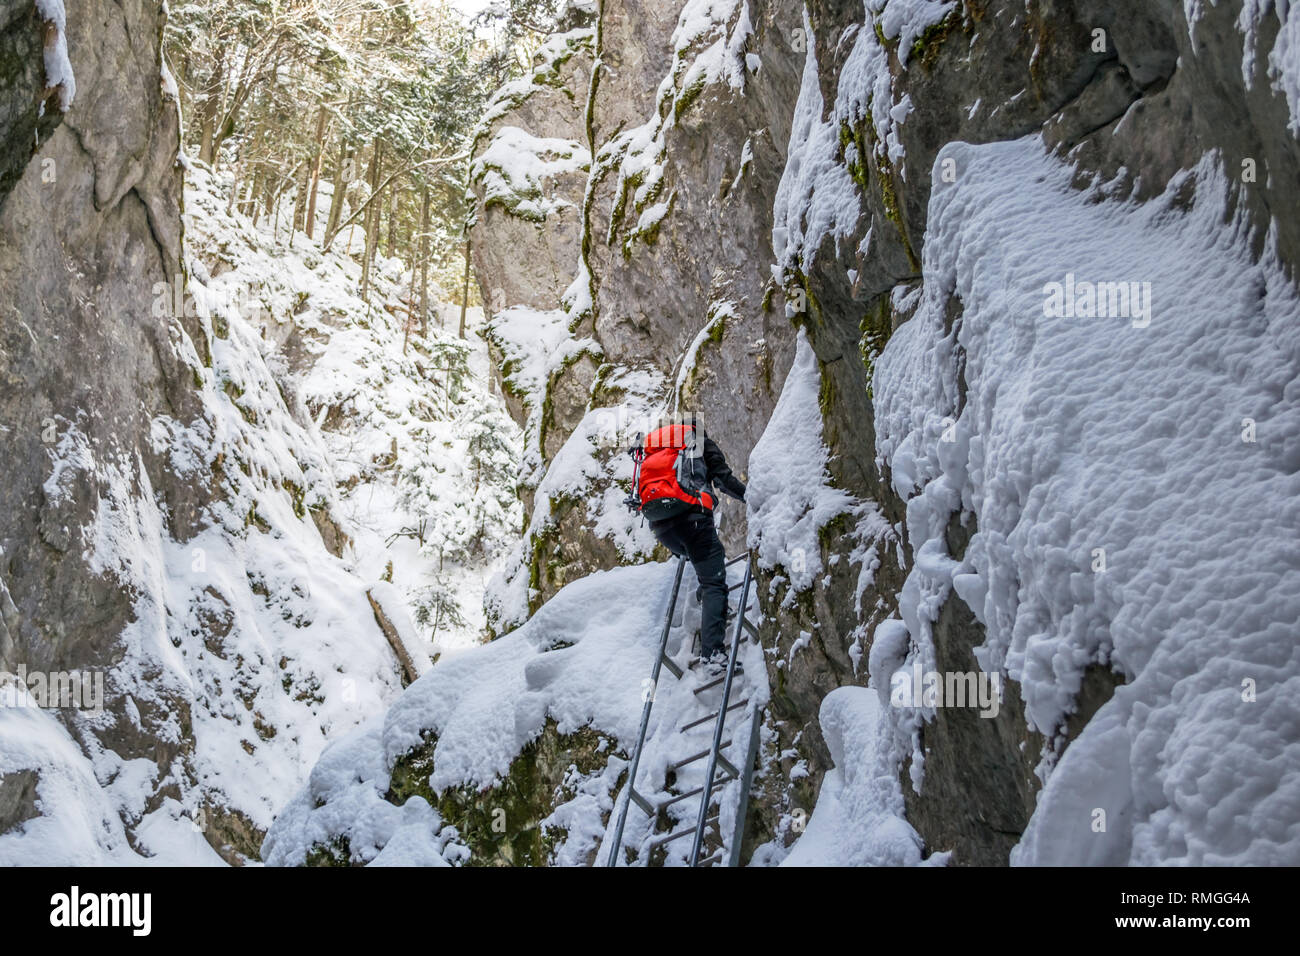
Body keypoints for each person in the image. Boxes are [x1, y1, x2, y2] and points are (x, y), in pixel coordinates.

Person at [628, 415, 746, 676]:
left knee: (704, 567)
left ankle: (712, 607)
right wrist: (750, 496)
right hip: (692, 517)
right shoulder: (697, 439)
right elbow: (723, 480)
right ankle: (713, 654)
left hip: (661, 526)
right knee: (714, 581)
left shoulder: (654, 446)